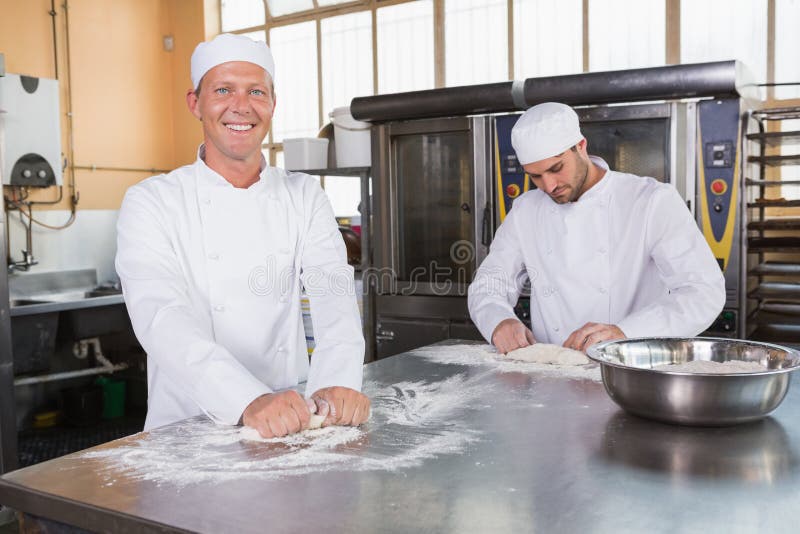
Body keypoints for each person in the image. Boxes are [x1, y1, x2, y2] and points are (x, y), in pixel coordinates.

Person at [116, 33, 370, 437]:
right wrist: (246, 399)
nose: (241, 106)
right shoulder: (151, 201)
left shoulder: (304, 196)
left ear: (272, 104)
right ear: (195, 103)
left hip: (292, 422)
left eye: (256, 91)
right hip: (186, 429)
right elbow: (161, 316)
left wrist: (336, 384)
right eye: (222, 90)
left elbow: (333, 298)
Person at [468, 102, 726, 354]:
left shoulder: (650, 200)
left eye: (556, 168)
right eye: (535, 176)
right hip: (551, 374)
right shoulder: (525, 209)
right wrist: (498, 321)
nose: (548, 186)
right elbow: (490, 282)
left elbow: (703, 292)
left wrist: (626, 332)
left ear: (581, 146)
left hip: (630, 365)